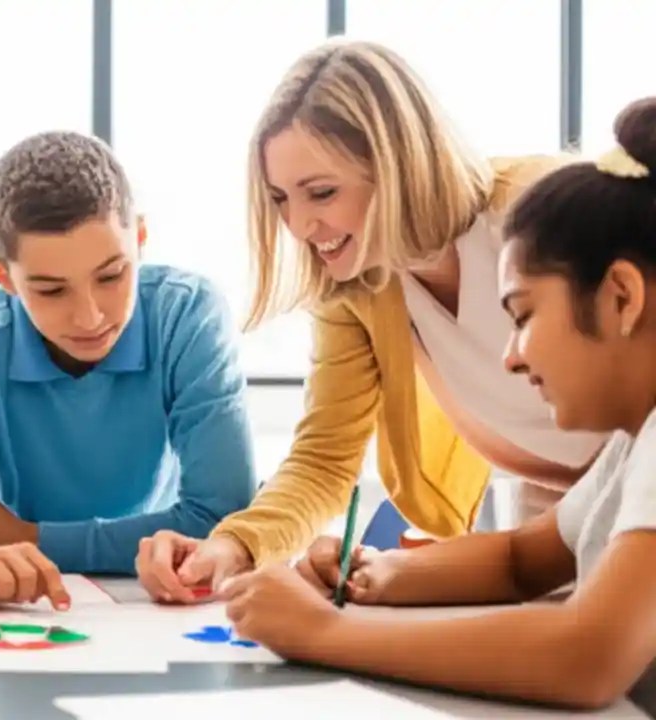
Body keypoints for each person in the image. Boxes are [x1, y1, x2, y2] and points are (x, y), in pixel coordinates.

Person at [218, 96, 656, 714]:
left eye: (523, 316)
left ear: (621, 297)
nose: (509, 357)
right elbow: (518, 557)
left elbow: (588, 655)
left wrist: (326, 634)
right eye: (281, 199)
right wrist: (379, 573)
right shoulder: (633, 447)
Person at [135, 38, 608, 603]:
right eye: (281, 198)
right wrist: (232, 546)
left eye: (322, 193)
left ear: (400, 162)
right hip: (560, 512)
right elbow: (324, 459)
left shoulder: (541, 208)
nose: (300, 226)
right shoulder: (356, 288)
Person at [0, 130, 256, 605]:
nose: (90, 317)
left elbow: (225, 519)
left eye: (112, 275)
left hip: (159, 602)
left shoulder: (187, 316)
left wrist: (28, 537)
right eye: (51, 291)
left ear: (139, 239)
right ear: (2, 276)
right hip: (26, 606)